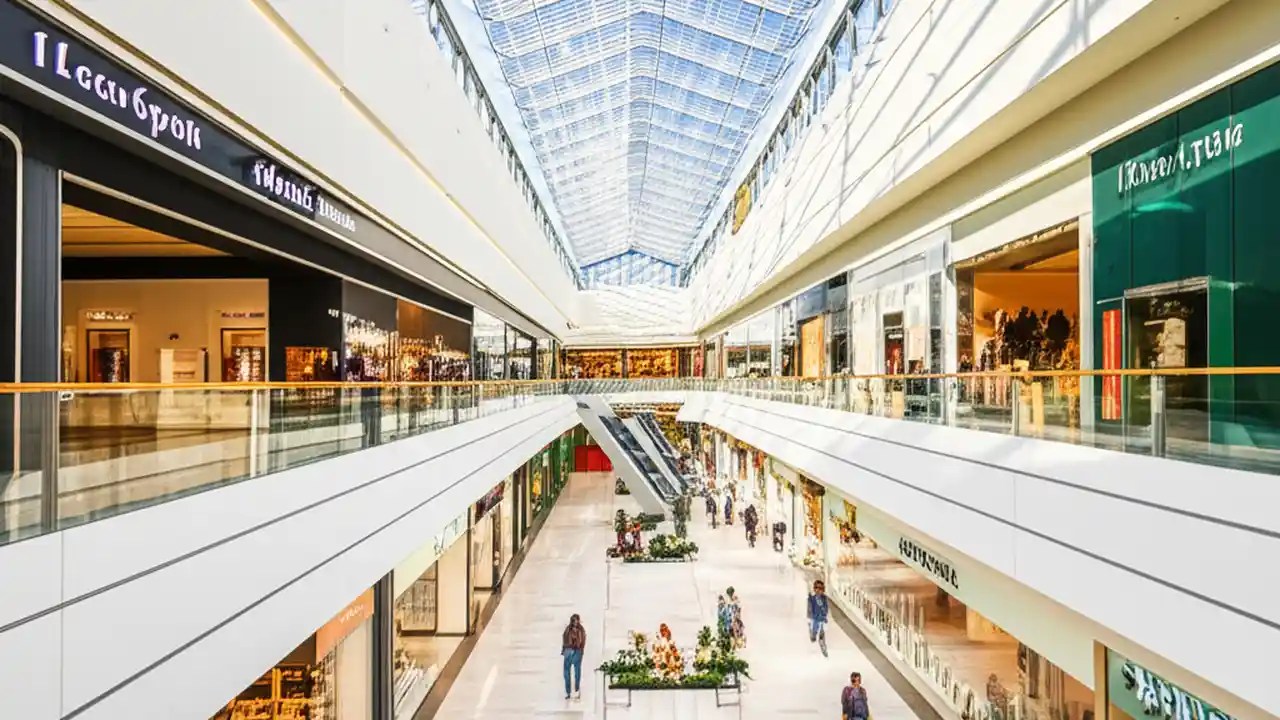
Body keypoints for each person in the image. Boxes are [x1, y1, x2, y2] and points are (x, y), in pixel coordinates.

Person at [562, 614, 586, 700]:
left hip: (577, 651)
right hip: (569, 651)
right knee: (566, 673)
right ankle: (568, 692)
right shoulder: (568, 629)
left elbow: (583, 640)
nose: (575, 622)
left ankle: (576, 690)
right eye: (574, 620)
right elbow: (564, 639)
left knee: (577, 672)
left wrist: (581, 650)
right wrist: (564, 650)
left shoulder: (581, 630)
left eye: (577, 620)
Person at [807, 579, 830, 656]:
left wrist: (825, 615)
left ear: (823, 590)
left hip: (822, 618)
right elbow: (810, 608)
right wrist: (809, 617)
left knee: (822, 633)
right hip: (815, 618)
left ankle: (823, 646)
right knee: (814, 634)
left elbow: (826, 607)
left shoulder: (824, 598)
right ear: (814, 588)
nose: (818, 590)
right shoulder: (812, 598)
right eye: (816, 588)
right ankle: (812, 634)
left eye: (820, 588)